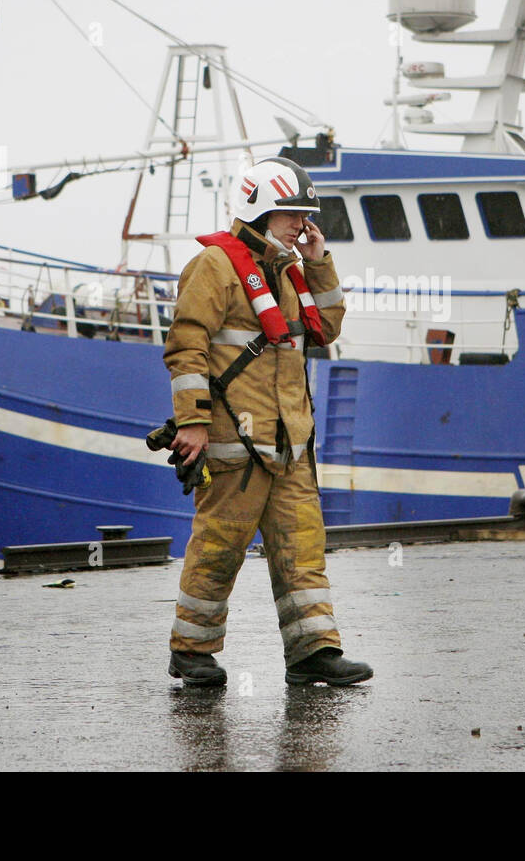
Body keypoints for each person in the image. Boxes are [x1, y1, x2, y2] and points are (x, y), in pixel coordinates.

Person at [163, 156, 372, 688]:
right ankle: (192, 652)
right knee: (218, 547)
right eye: (292, 215)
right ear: (260, 210)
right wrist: (191, 422)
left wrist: (319, 261)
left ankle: (313, 653)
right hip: (236, 441)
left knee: (303, 547)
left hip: (290, 443)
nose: (301, 225)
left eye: (305, 216)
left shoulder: (290, 271)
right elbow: (187, 346)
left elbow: (324, 327)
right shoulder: (213, 267)